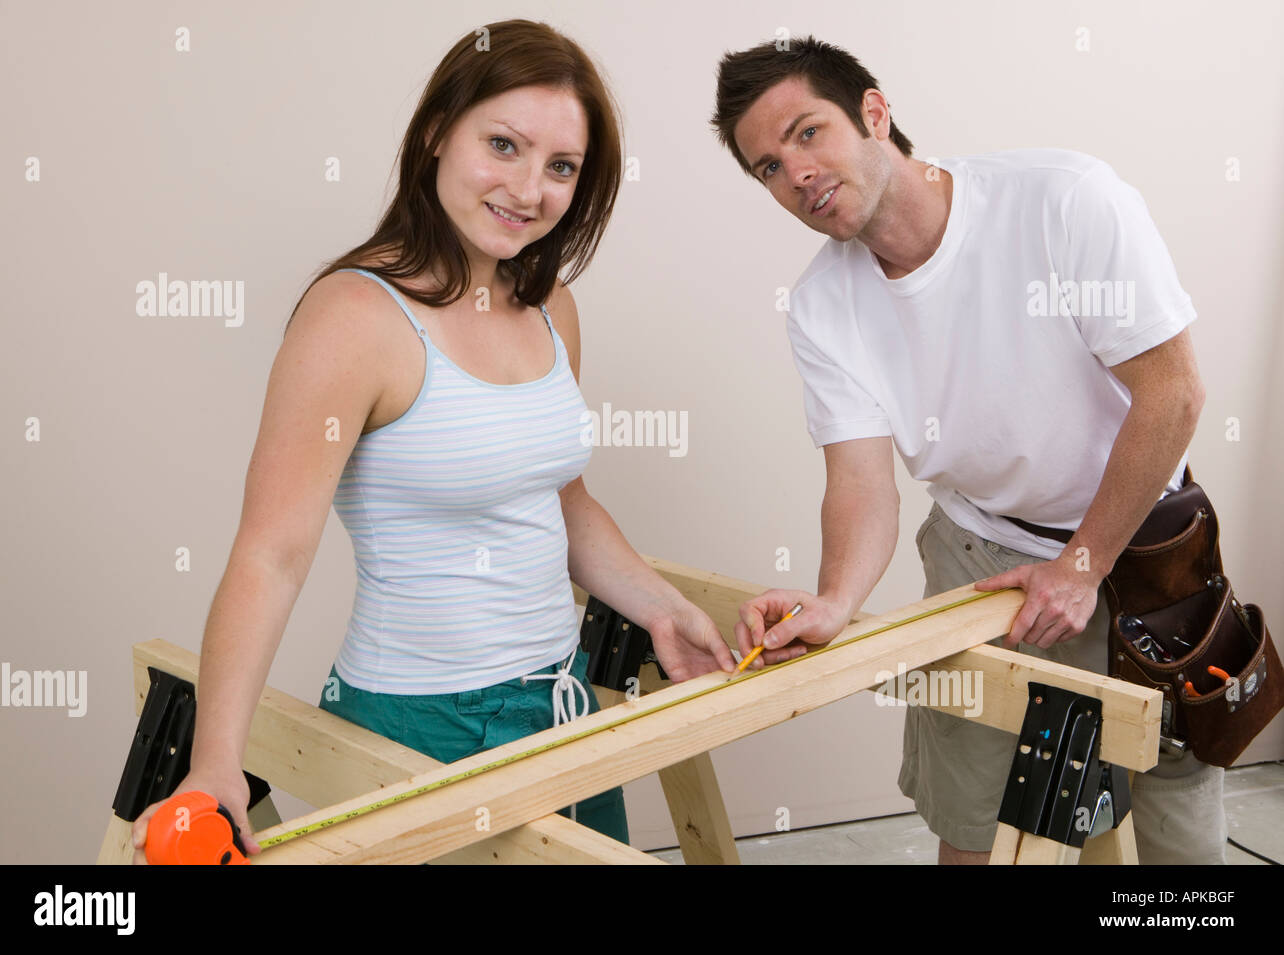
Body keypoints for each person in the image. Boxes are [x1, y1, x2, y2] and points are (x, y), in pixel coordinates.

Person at [131, 18, 735, 862]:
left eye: (561, 166)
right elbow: (271, 553)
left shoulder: (550, 306)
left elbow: (559, 500)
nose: (530, 188)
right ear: (434, 135)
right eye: (503, 144)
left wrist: (666, 612)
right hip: (419, 729)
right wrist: (214, 762)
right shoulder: (354, 319)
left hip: (562, 710)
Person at [710, 36, 1223, 864]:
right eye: (766, 165)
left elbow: (1174, 394)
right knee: (972, 823)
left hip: (1145, 547)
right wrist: (836, 600)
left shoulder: (1063, 200)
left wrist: (1083, 565)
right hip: (980, 555)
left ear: (875, 111)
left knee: (1178, 831)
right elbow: (861, 483)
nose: (794, 173)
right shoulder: (820, 306)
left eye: (807, 133)